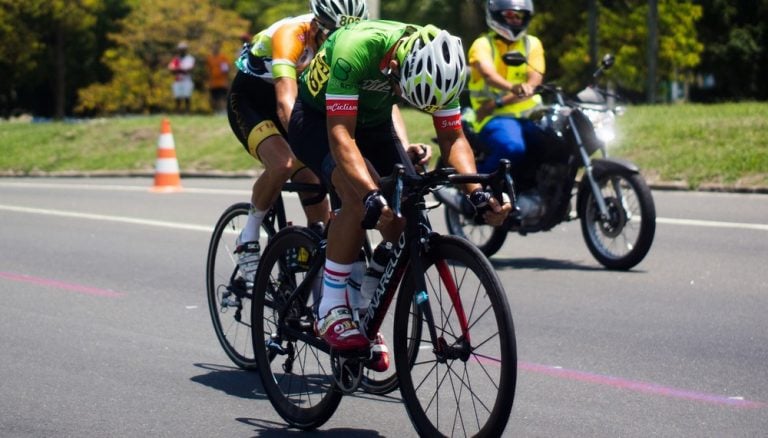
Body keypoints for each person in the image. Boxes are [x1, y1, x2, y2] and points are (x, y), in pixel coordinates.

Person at [289, 20, 512, 354]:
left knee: (406, 214)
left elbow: (453, 138)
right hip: (318, 120)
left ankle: (366, 299)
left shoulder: (443, 66)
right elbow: (341, 135)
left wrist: (477, 193)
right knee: (357, 196)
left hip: (374, 123)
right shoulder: (356, 48)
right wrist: (370, 194)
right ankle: (331, 307)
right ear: (394, 65)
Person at [225, 0, 369, 294]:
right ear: (316, 26)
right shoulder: (291, 35)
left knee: (316, 189)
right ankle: (248, 235)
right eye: (333, 36)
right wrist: (312, 148)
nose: (342, 43)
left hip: (298, 98)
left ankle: (313, 271)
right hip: (254, 100)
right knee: (284, 163)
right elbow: (285, 103)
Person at [467, 0, 544, 175]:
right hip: (493, 117)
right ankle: (475, 185)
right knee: (512, 147)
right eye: (510, 15)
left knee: (557, 143)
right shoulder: (482, 44)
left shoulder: (532, 44)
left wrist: (499, 101)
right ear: (496, 15)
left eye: (520, 15)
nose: (515, 19)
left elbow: (534, 82)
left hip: (533, 115)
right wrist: (513, 88)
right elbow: (489, 76)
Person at [168, 41, 196, 113]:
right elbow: (171, 68)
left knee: (187, 97)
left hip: (187, 80)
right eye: (180, 49)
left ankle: (187, 112)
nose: (182, 50)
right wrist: (181, 69)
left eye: (183, 49)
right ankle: (178, 112)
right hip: (177, 80)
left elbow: (189, 69)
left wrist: (178, 69)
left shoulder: (189, 58)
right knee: (177, 97)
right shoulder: (176, 59)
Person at [205, 41, 230, 114]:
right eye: (213, 48)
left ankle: (223, 111)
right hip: (213, 82)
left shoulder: (223, 57)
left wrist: (226, 80)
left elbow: (226, 70)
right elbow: (208, 70)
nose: (214, 49)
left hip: (222, 82)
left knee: (222, 97)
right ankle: (216, 111)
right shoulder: (209, 58)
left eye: (216, 48)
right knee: (214, 98)